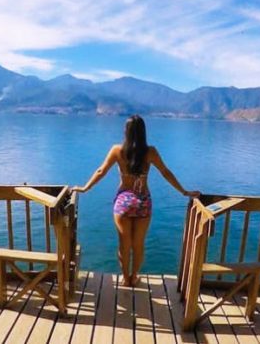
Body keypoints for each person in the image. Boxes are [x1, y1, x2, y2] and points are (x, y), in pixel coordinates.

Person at [72, 115, 200, 287]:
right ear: (143, 132)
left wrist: (85, 188)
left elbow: (101, 171)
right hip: (143, 202)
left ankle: (125, 278)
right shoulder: (151, 152)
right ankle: (134, 276)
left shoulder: (117, 150)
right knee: (138, 244)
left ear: (126, 131)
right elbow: (166, 172)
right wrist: (184, 191)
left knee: (124, 245)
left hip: (123, 203)